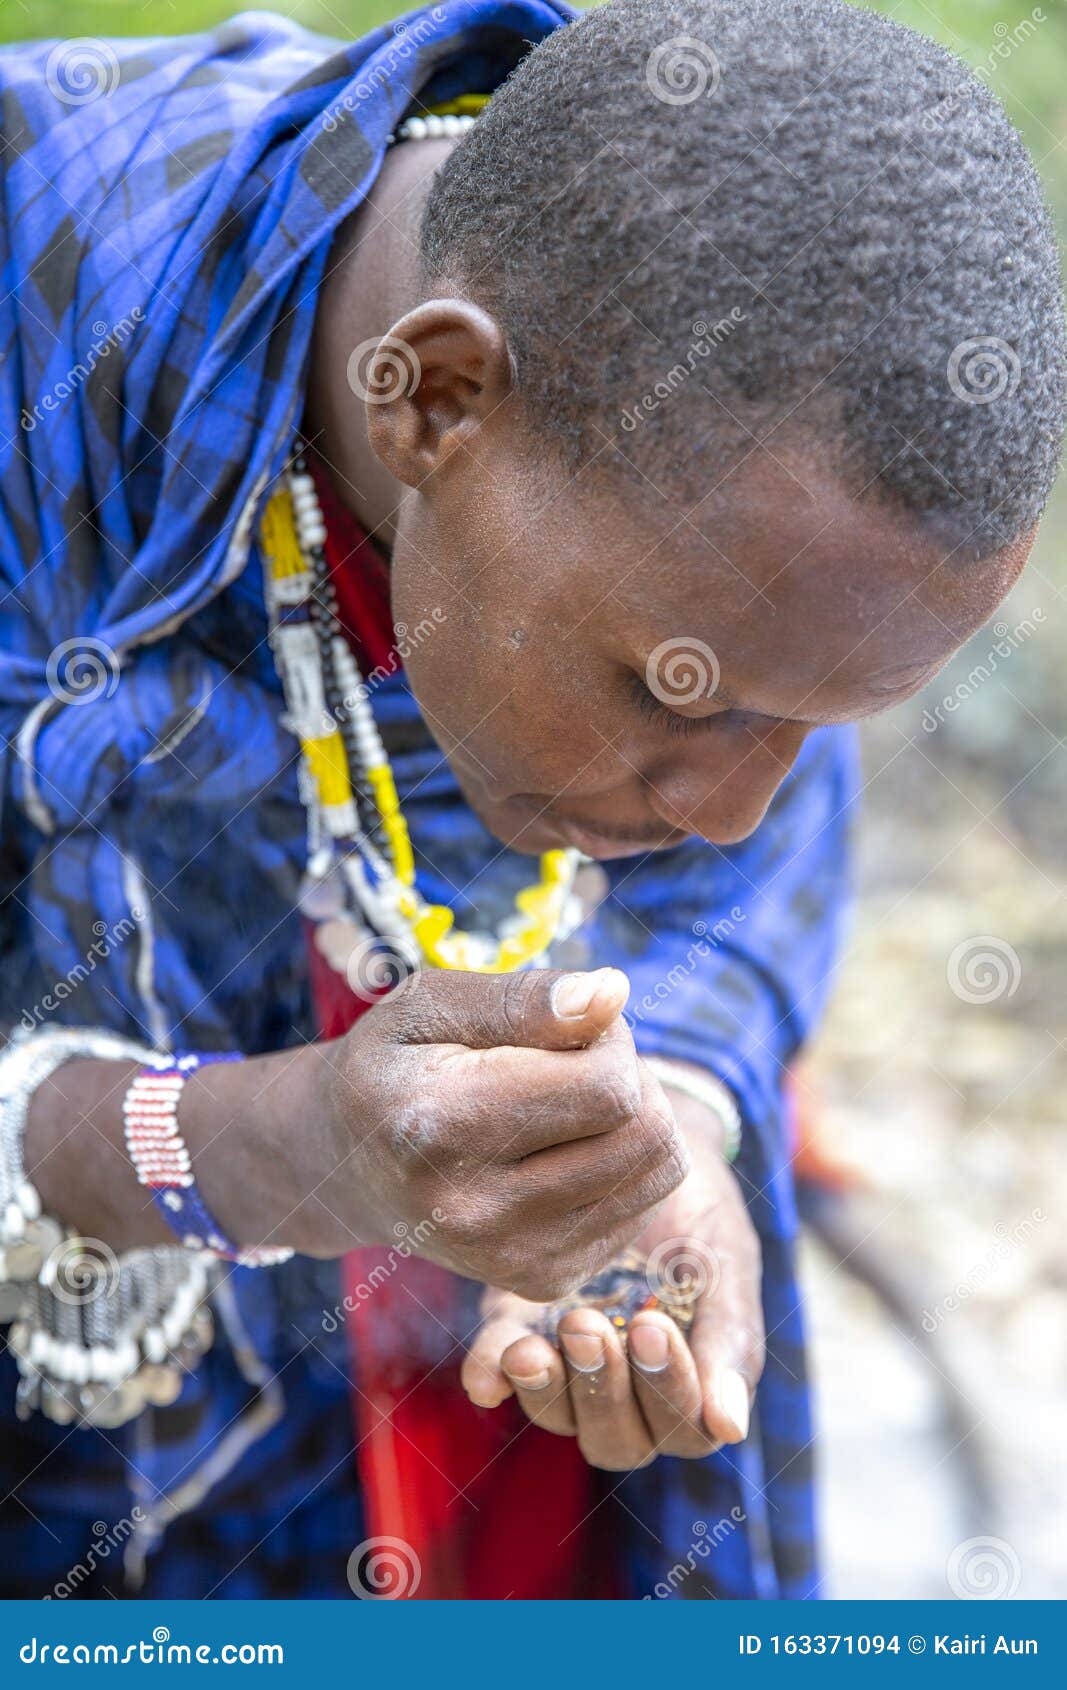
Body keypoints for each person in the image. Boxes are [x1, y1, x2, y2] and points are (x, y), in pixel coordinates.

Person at [0, 0, 1062, 1600]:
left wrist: (687, 1116)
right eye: (679, 694)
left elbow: (749, 858)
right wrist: (264, 1142)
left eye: (816, 724)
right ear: (431, 400)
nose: (732, 818)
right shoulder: (48, 301)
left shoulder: (728, 421)